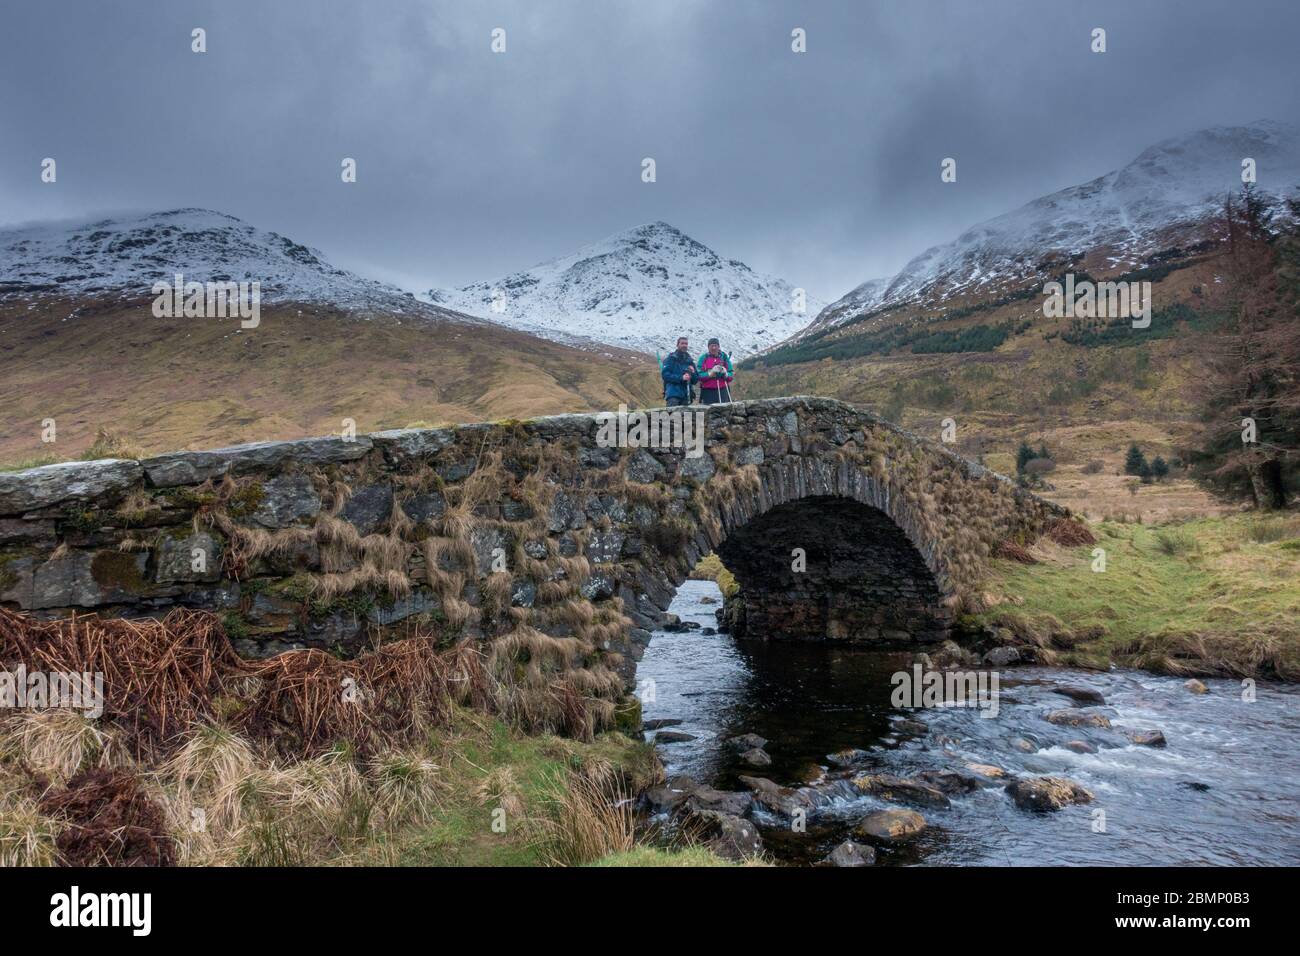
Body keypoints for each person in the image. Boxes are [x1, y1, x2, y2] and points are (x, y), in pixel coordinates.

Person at [660, 336, 698, 406]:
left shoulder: (690, 361)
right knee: (673, 416)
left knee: (687, 417)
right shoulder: (670, 359)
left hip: (687, 396)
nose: (684, 345)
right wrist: (681, 378)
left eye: (686, 344)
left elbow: (695, 381)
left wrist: (692, 373)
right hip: (673, 396)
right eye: (682, 343)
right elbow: (665, 375)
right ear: (677, 345)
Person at [696, 338, 733, 404]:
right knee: (709, 413)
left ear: (719, 347)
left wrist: (726, 374)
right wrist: (709, 374)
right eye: (711, 346)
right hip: (708, 391)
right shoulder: (703, 358)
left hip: (723, 390)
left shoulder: (724, 357)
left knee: (724, 412)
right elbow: (698, 375)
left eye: (715, 346)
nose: (713, 348)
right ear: (708, 347)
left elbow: (731, 374)